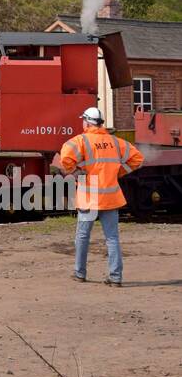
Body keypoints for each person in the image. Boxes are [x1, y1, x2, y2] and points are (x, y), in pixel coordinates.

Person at [55, 107, 143, 287]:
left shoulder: (80, 141)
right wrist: (118, 172)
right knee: (112, 238)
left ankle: (80, 273)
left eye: (83, 120)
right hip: (110, 198)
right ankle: (116, 277)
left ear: (87, 122)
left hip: (90, 196)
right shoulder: (116, 142)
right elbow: (137, 159)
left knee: (82, 236)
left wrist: (79, 173)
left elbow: (65, 160)